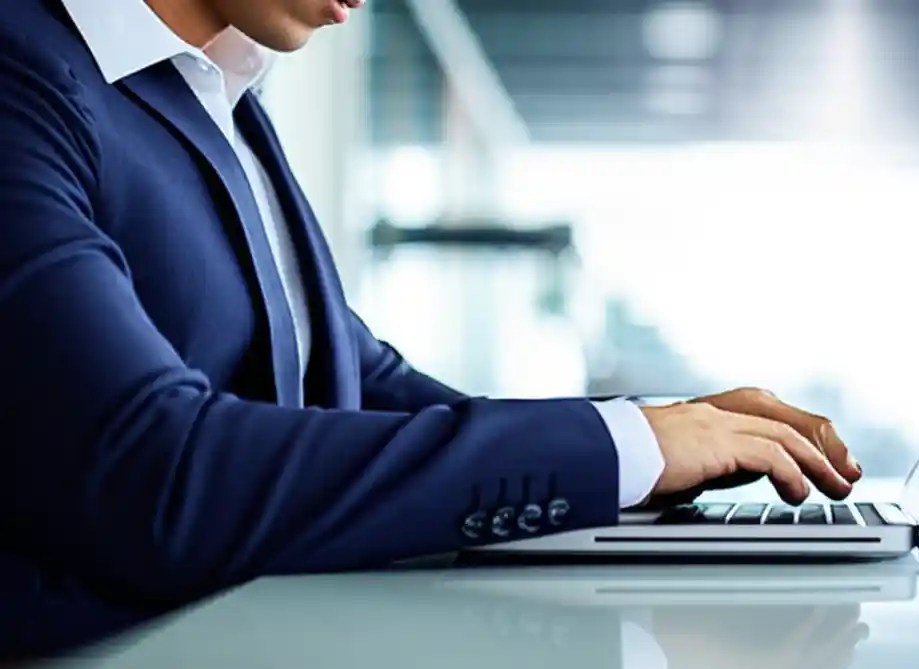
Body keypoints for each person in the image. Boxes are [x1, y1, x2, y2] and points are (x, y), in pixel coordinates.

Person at [0, 0, 863, 603]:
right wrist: (625, 448)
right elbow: (156, 473)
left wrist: (655, 442)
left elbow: (353, 377)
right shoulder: (23, 73)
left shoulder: (221, 92)